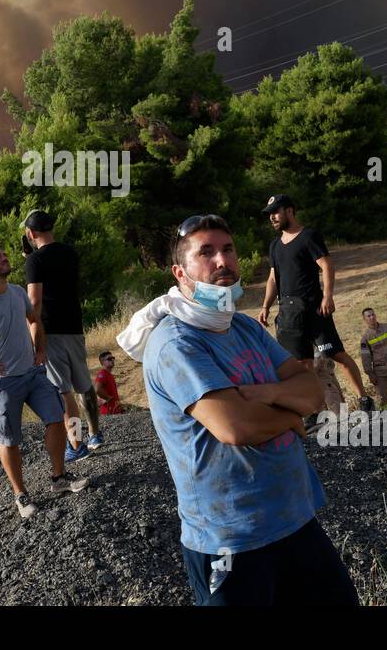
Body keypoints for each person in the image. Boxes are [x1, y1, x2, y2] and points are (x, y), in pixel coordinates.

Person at [128, 214, 358, 606]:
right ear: (180, 273)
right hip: (231, 540)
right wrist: (289, 415)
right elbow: (235, 426)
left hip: (295, 521)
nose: (223, 260)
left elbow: (312, 390)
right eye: (207, 252)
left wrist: (264, 392)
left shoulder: (244, 327)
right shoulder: (175, 342)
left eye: (228, 249)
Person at [0, 243, 89, 519]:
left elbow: (34, 320)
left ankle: (59, 479)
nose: (5, 259)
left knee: (56, 419)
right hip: (4, 382)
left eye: (5, 255)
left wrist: (40, 350)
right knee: (10, 440)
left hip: (34, 374)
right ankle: (21, 496)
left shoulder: (17, 293)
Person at [258, 194, 372, 408]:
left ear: (289, 211)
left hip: (314, 309)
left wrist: (328, 296)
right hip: (289, 314)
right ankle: (314, 411)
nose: (272, 217)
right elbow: (273, 278)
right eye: (269, 214)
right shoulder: (274, 246)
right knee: (302, 366)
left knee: (335, 354)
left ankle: (364, 399)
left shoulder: (308, 236)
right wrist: (266, 306)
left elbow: (327, 266)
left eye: (276, 212)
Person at [22, 209, 102, 460]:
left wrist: (30, 330)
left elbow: (34, 302)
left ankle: (76, 445)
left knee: (63, 391)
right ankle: (95, 434)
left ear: (31, 233)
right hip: (74, 325)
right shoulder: (70, 253)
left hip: (51, 330)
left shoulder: (35, 261)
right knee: (83, 383)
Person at [93, 351, 123, 415]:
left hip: (115, 411)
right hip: (108, 412)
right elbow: (97, 389)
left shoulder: (109, 375)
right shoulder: (102, 374)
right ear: (102, 362)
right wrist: (108, 398)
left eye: (113, 358)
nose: (112, 360)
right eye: (109, 359)